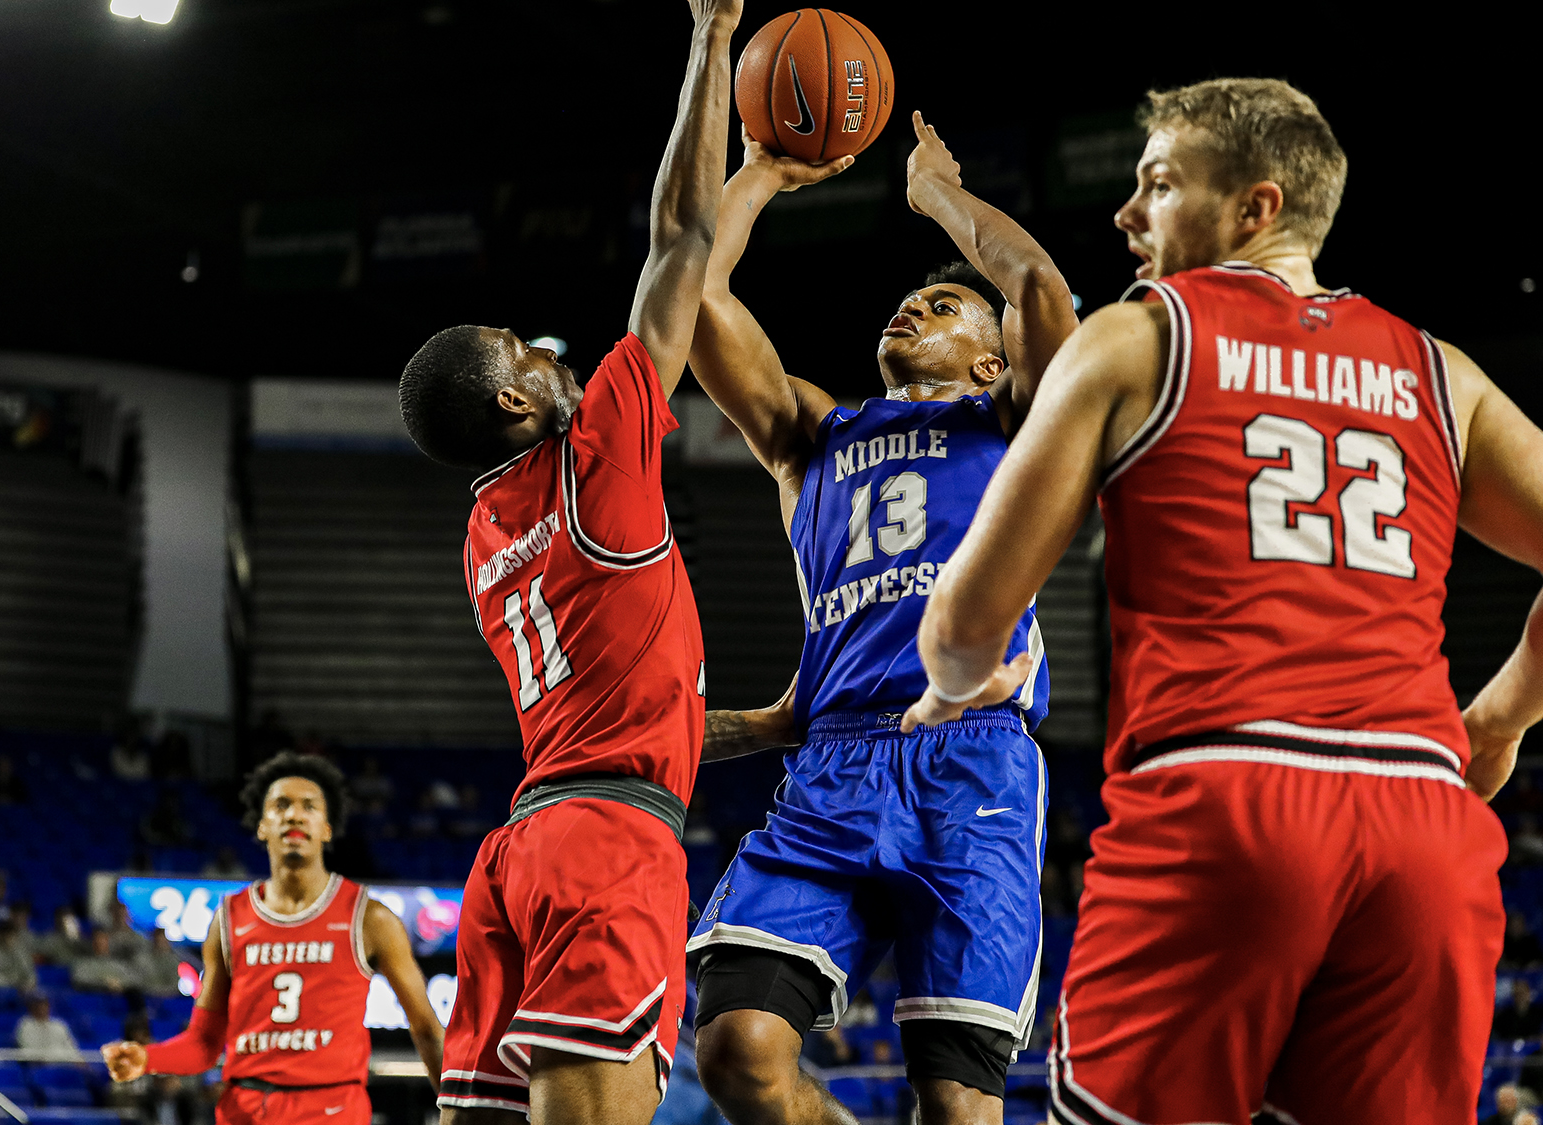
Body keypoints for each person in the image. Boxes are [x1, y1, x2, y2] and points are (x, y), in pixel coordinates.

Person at [903, 77, 1543, 1122]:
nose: (1127, 213)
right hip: (1422, 826)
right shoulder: (1442, 373)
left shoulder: (1137, 337)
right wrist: (1492, 725)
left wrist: (951, 686)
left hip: (1224, 799)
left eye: (1159, 185)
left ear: (1255, 207)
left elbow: (959, 626)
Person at [677, 105, 1079, 1124]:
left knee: (956, 1105)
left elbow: (1037, 289)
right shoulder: (814, 433)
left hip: (972, 760)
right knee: (735, 1049)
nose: (911, 308)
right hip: (833, 762)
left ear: (989, 361)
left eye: (940, 305)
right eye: (908, 300)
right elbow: (697, 295)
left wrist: (938, 196)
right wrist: (760, 174)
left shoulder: (1011, 422)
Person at [389, 3, 737, 1120]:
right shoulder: (599, 459)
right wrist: (714, 36)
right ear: (513, 399)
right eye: (527, 352)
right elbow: (683, 237)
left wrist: (770, 724)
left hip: (522, 852)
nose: (549, 352)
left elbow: (618, 720)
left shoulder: (485, 538)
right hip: (606, 847)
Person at [103, 753, 444, 1125]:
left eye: (309, 806)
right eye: (281, 806)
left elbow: (427, 1029)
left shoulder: (369, 917)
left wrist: (455, 1112)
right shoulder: (229, 919)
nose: (294, 815)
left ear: (327, 828)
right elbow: (204, 1043)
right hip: (246, 1109)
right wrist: (148, 1058)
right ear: (262, 826)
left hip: (331, 1109)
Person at [16, 994, 80, 1062]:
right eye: (38, 1005)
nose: (41, 1008)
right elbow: (29, 1050)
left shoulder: (58, 1024)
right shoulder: (25, 1025)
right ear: (31, 1008)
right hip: (40, 1063)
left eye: (44, 1005)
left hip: (63, 1062)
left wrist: (77, 1059)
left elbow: (70, 1046)